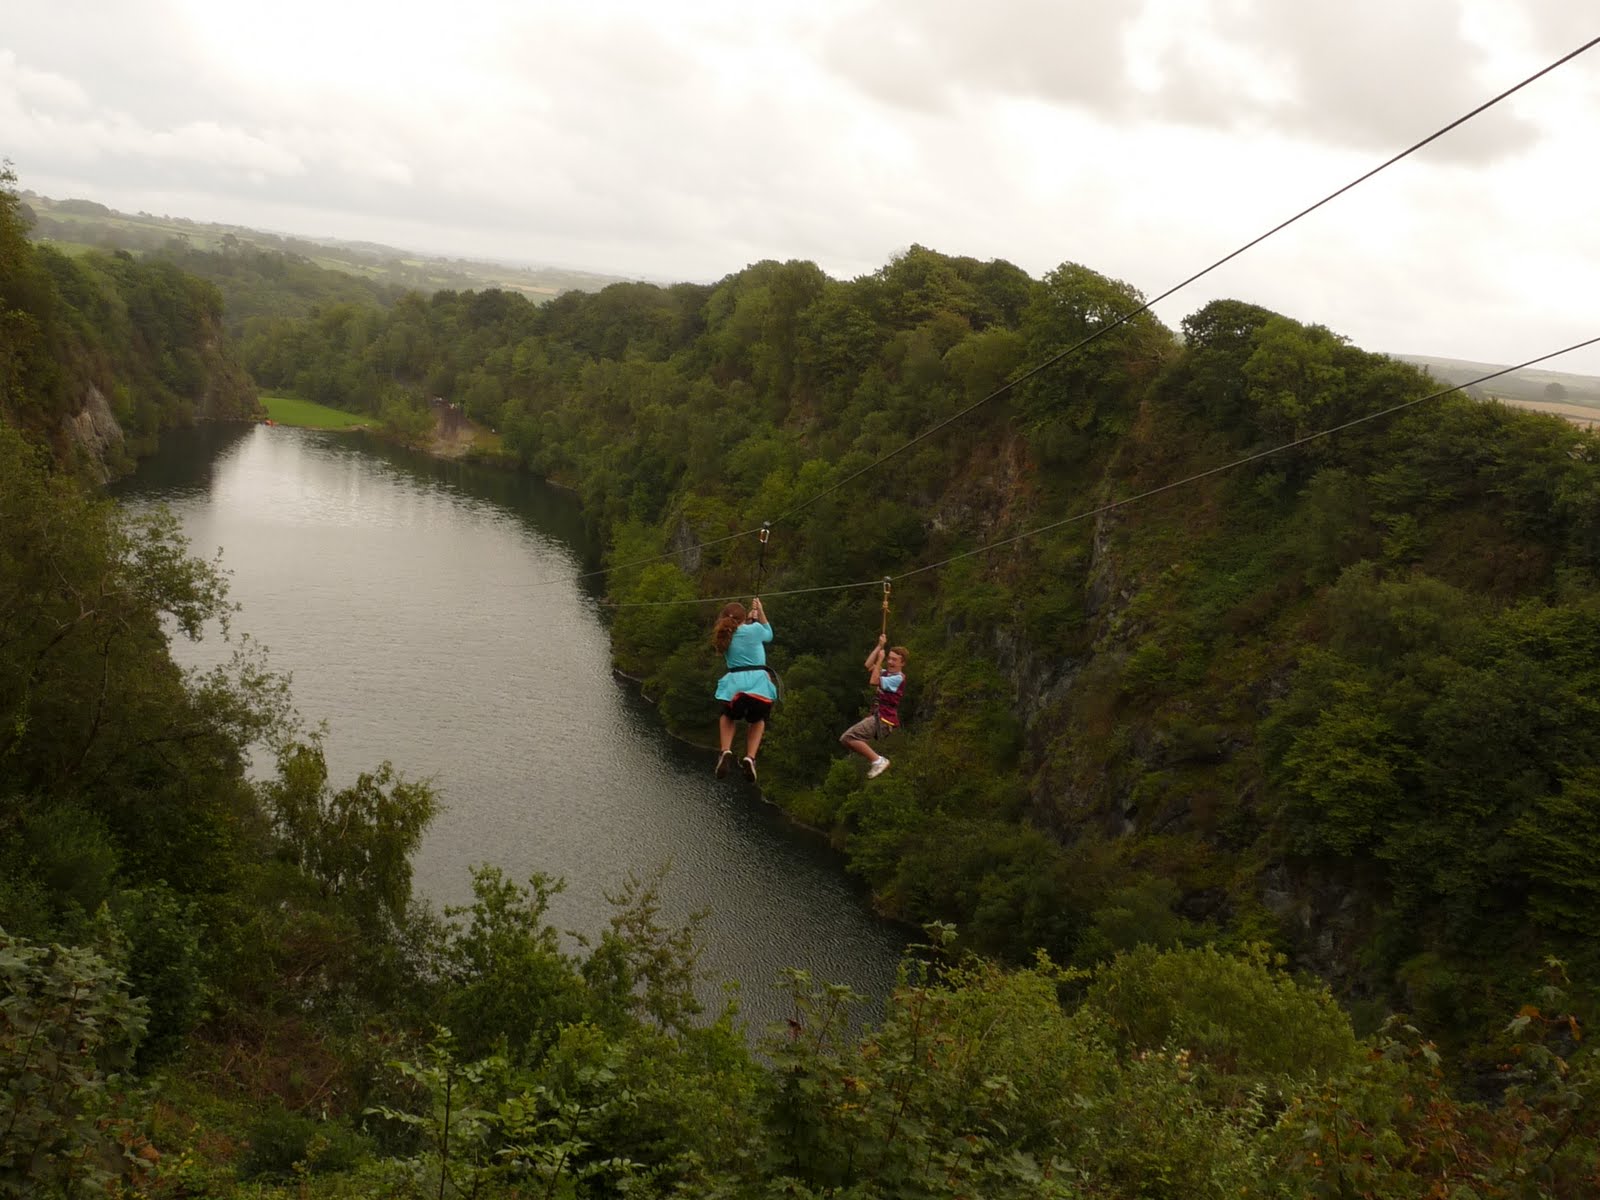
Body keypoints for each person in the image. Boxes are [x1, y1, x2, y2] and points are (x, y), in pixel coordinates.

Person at [712, 597, 775, 782]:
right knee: (758, 719)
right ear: (742, 619)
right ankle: (750, 757)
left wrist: (747, 621)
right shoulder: (755, 630)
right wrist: (760, 612)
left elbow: (740, 632)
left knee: (728, 715)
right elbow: (769, 634)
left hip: (735, 687)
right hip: (759, 685)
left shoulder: (724, 635)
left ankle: (725, 750)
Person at [840, 634, 906, 779]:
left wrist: (880, 659)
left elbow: (873, 680)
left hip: (884, 720)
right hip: (878, 716)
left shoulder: (897, 678)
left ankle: (878, 760)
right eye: (889, 658)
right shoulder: (887, 673)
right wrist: (879, 646)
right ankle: (876, 759)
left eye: (895, 660)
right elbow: (868, 665)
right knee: (846, 739)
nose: (890, 662)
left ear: (903, 663)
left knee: (849, 737)